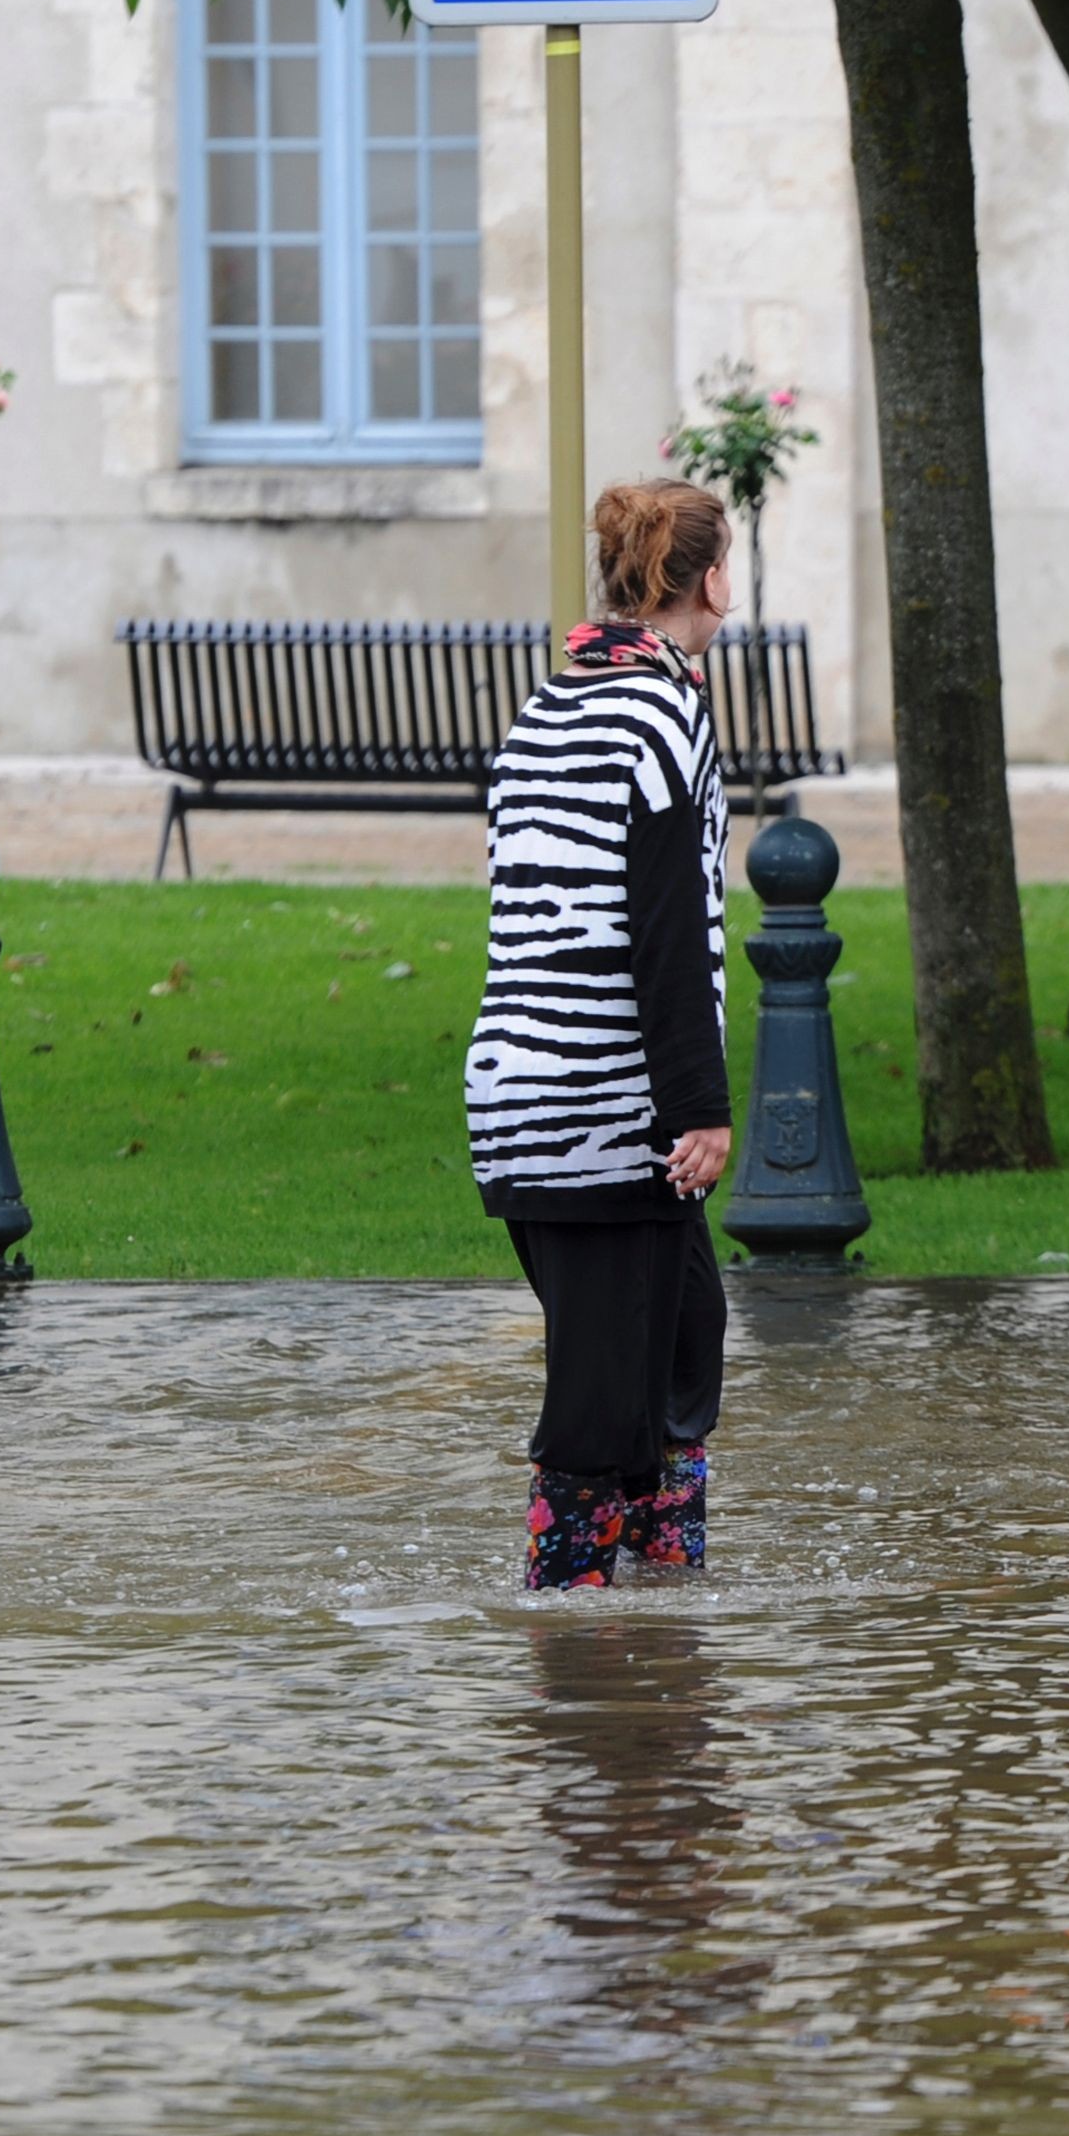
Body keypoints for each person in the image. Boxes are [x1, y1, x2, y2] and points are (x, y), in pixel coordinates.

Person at [465, 478, 737, 1587]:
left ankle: (663, 1605)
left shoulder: (551, 703)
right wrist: (699, 1108)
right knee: (598, 1402)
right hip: (604, 1110)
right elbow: (668, 929)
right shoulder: (661, 716)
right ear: (710, 582)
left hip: (516, 1093)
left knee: (684, 1336)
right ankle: (572, 1630)